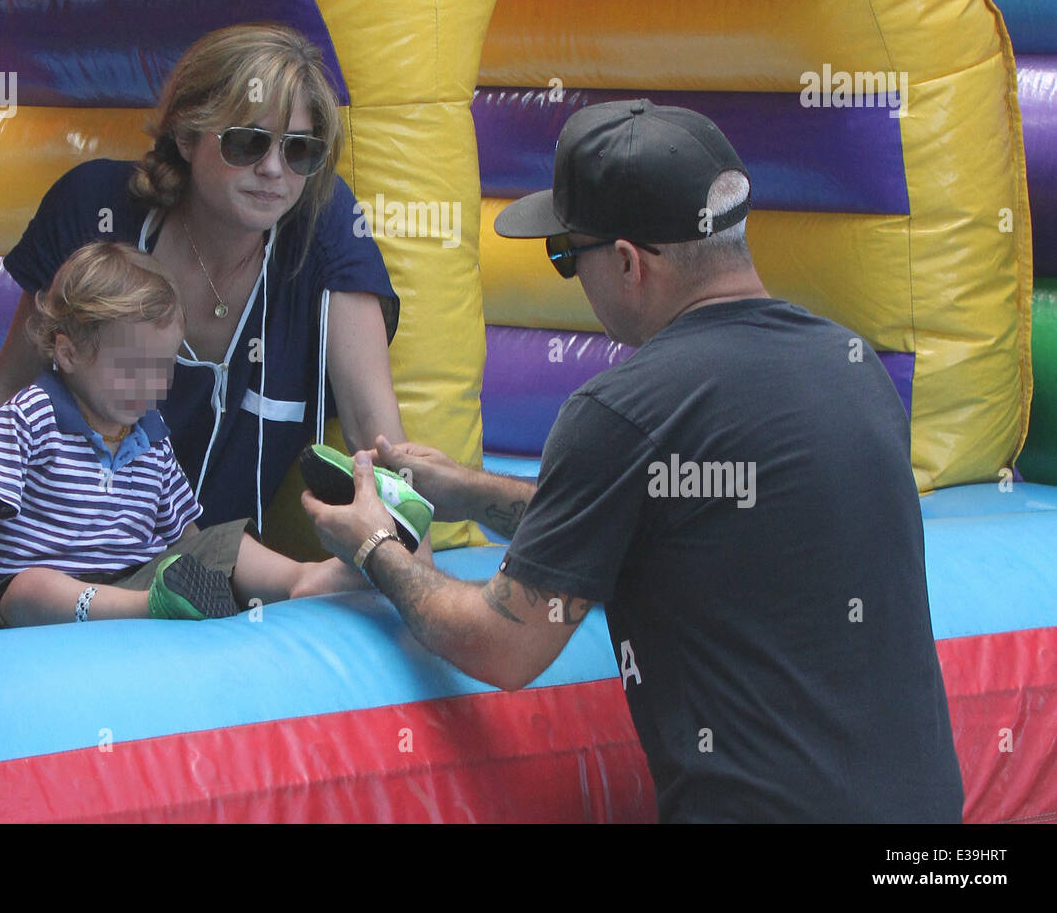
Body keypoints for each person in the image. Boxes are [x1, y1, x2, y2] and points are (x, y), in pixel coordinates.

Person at [303, 99, 964, 824]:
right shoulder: (850, 365)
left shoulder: (624, 408)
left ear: (627, 261)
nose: (571, 277)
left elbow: (503, 645)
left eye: (564, 255)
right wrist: (471, 491)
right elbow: (687, 520)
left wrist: (374, 545)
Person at [0, 23, 407, 539]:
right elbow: (8, 385)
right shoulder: (95, 210)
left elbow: (373, 434)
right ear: (187, 136)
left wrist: (418, 588)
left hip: (209, 562)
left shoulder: (322, 225)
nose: (273, 169)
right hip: (54, 547)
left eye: (299, 150)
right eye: (247, 142)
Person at [0, 241, 373, 629]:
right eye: (131, 369)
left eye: (162, 368)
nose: (150, 386)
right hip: (36, 600)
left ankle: (302, 578)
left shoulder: (151, 439)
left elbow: (186, 537)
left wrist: (208, 562)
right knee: (34, 586)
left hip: (131, 583)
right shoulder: (31, 416)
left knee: (224, 540)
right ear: (68, 354)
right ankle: (151, 608)